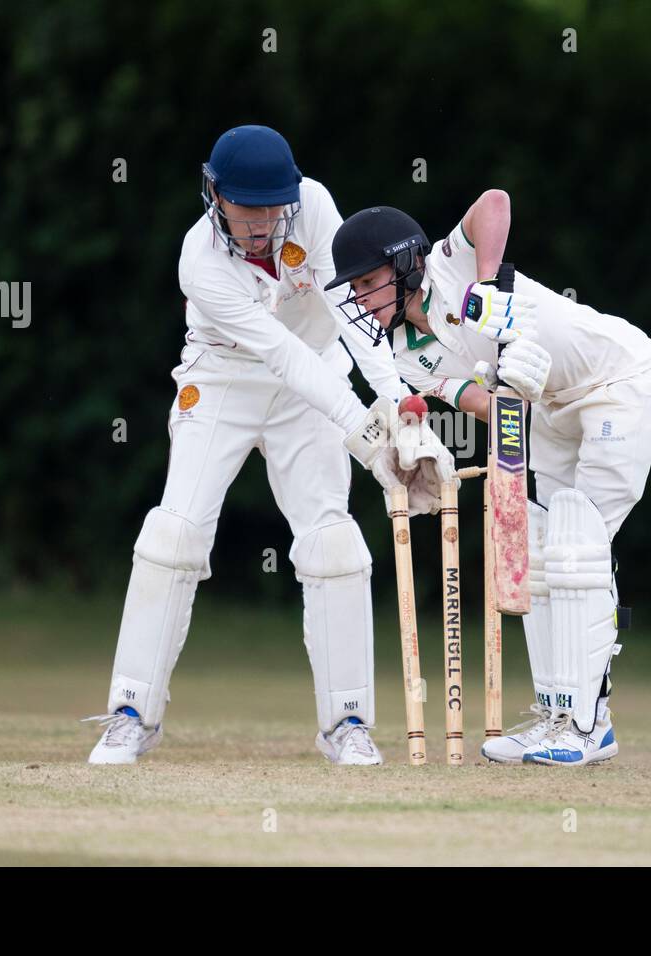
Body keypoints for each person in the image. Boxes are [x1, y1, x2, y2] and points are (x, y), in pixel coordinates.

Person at [85, 126, 453, 766]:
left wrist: (401, 415)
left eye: (271, 207)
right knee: (175, 534)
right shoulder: (200, 260)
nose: (262, 224)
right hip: (222, 375)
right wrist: (371, 443)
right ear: (215, 196)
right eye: (246, 209)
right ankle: (131, 714)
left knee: (334, 541)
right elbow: (278, 354)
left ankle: (347, 724)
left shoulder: (311, 206)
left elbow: (353, 317)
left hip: (314, 375)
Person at [324, 194, 651, 766]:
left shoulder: (447, 263)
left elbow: (495, 203)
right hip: (549, 409)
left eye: (367, 282)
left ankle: (586, 727)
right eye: (355, 289)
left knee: (577, 545)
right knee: (539, 551)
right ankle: (564, 715)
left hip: (622, 381)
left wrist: (487, 285)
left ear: (405, 262)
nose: (361, 299)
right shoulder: (407, 357)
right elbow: (491, 409)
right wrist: (517, 386)